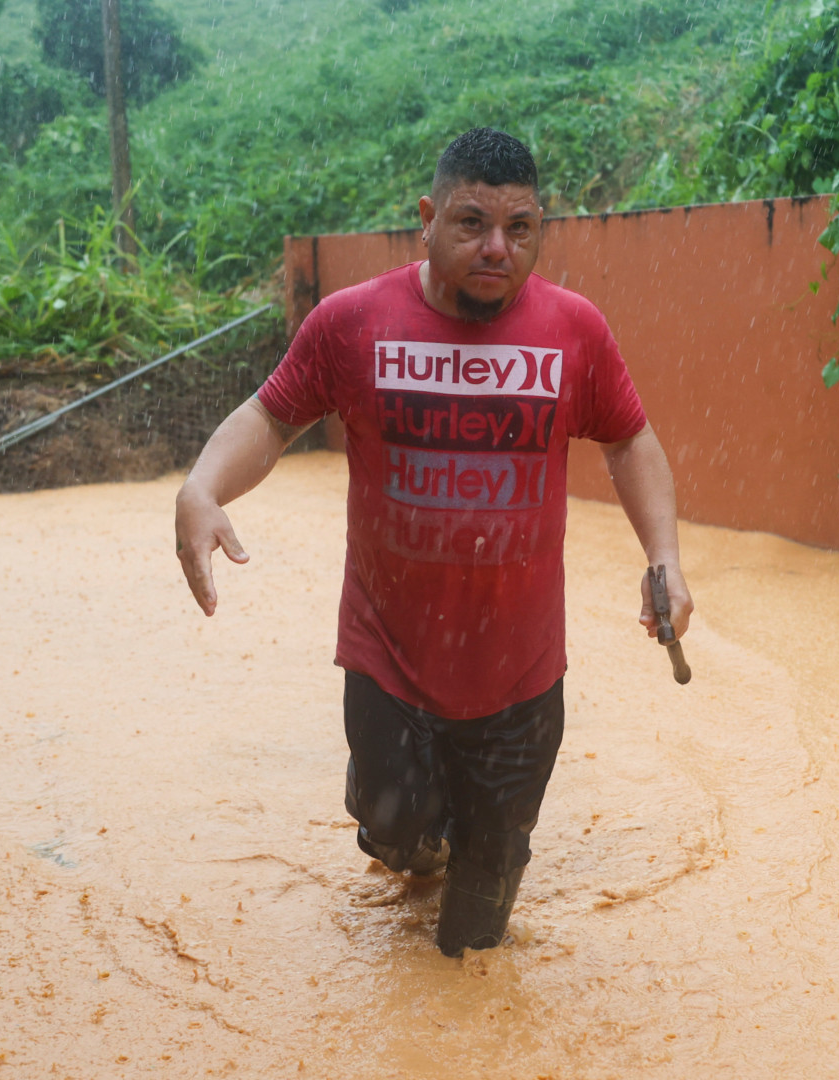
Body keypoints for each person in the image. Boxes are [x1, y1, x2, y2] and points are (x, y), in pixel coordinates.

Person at [173, 127, 692, 956]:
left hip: (521, 684)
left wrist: (663, 557)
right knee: (402, 842)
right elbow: (272, 416)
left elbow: (630, 441)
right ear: (426, 217)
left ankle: (465, 855)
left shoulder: (574, 332)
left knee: (474, 947)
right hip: (392, 666)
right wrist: (202, 488)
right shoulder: (354, 323)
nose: (497, 249)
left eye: (519, 229)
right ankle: (397, 818)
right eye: (472, 223)